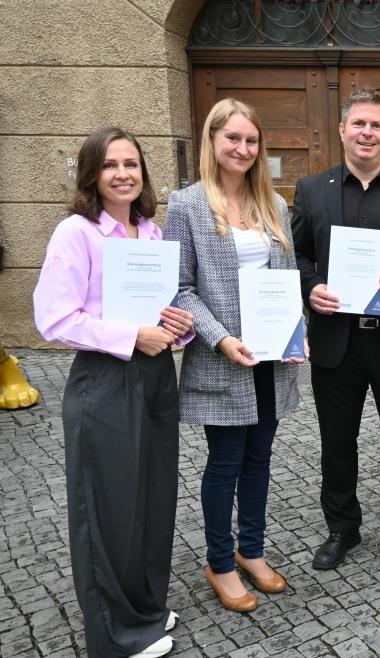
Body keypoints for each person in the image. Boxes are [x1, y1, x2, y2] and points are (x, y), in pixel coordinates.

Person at [34, 127, 194, 657]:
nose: (123, 174)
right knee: (109, 510)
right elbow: (54, 319)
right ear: (91, 174)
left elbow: (162, 310)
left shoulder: (150, 232)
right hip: (104, 380)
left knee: (152, 499)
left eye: (131, 164)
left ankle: (144, 608)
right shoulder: (76, 233)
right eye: (109, 165)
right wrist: (131, 336)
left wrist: (178, 327)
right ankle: (116, 637)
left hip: (155, 376)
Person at [164, 98, 302, 613]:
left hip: (270, 358)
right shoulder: (187, 205)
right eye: (233, 138)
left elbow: (287, 279)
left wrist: (296, 334)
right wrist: (221, 338)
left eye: (251, 140)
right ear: (213, 140)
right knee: (225, 464)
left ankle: (252, 550)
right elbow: (179, 287)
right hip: (223, 359)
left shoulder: (275, 206)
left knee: (259, 460)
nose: (242, 148)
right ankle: (220, 562)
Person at [293, 88, 380, 575]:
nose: (367, 133)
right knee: (337, 441)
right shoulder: (312, 189)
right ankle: (342, 527)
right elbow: (295, 254)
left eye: (376, 125)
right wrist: (310, 286)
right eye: (359, 123)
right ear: (342, 131)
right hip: (337, 338)